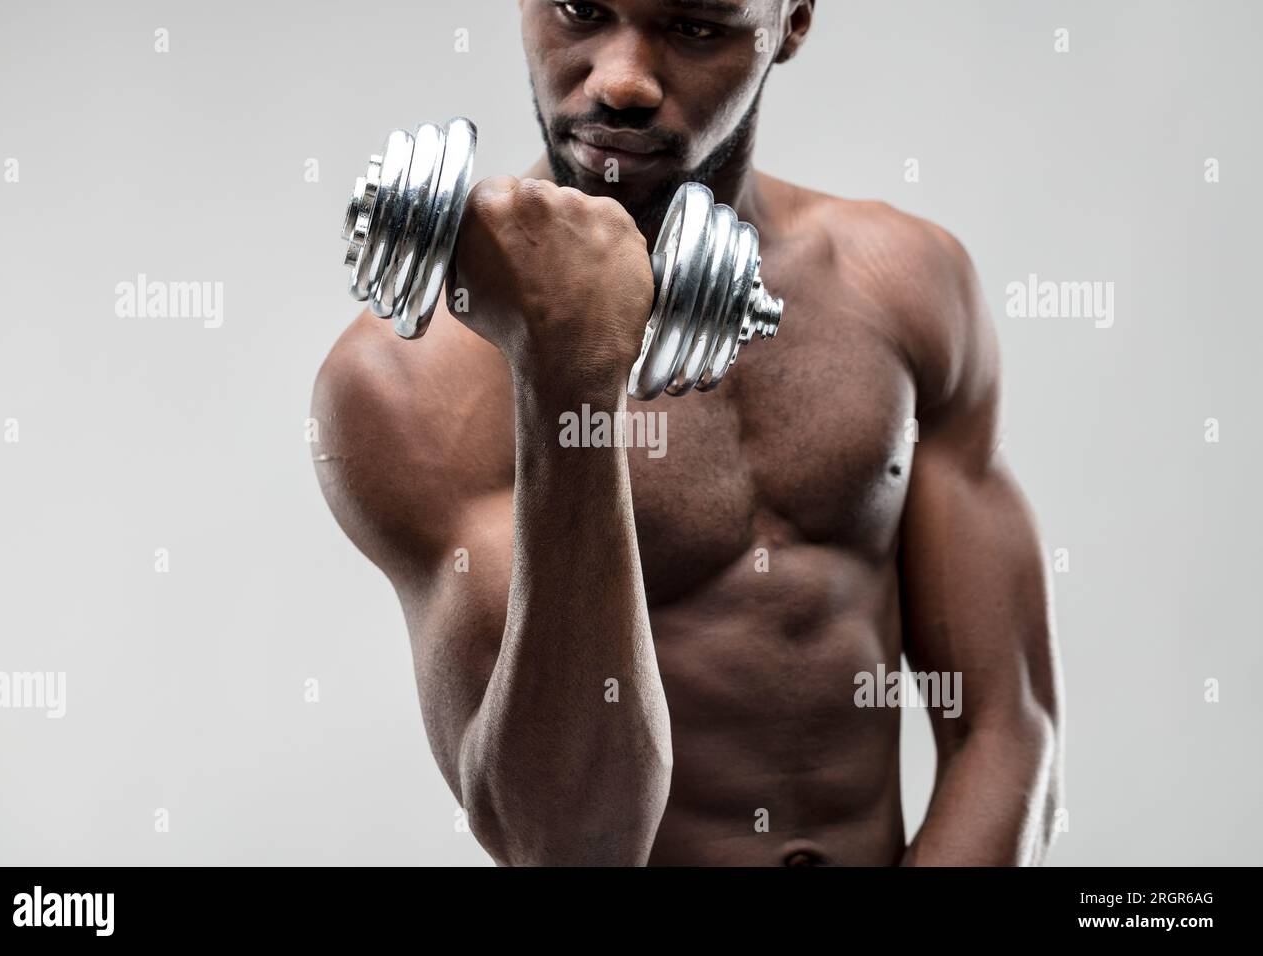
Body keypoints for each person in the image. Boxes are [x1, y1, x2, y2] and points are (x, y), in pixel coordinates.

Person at [312, 0, 1063, 866]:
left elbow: (1008, 727)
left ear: (792, 21)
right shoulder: (409, 383)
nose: (622, 79)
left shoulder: (906, 285)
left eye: (697, 24)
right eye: (578, 9)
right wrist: (567, 374)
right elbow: (565, 843)